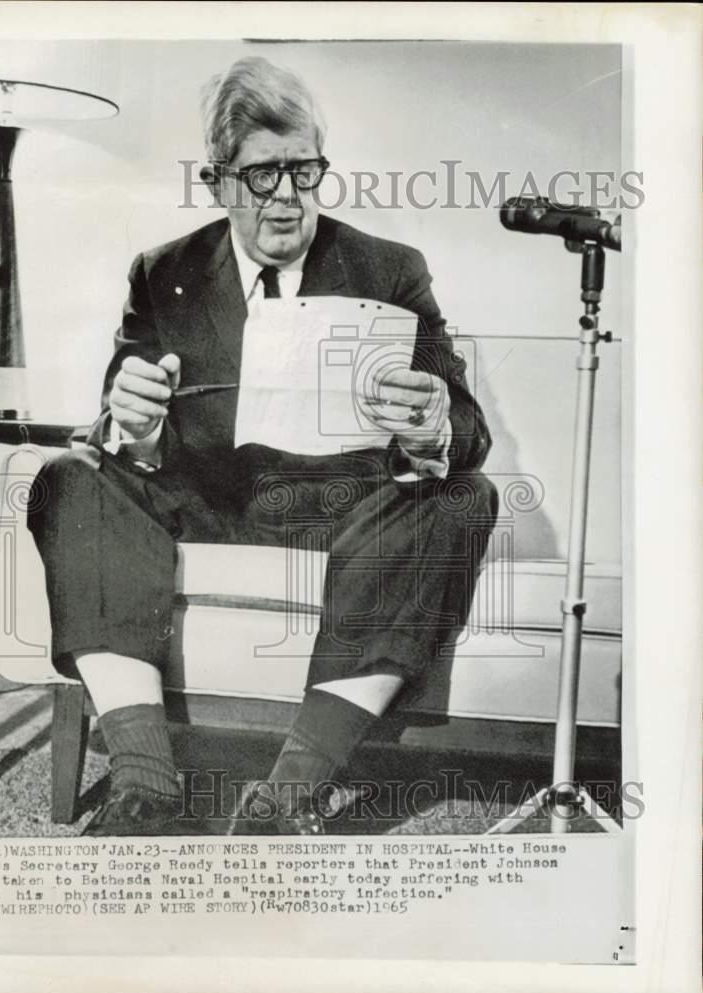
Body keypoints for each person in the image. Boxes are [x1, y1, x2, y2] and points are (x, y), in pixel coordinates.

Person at [28, 56, 497, 837]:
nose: (286, 196)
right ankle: (146, 786)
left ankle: (287, 799)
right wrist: (131, 420)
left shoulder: (390, 269)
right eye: (262, 175)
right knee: (67, 478)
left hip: (344, 519)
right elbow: (121, 412)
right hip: (208, 506)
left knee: (462, 496)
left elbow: (468, 434)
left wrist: (433, 421)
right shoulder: (164, 273)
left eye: (304, 171)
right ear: (217, 181)